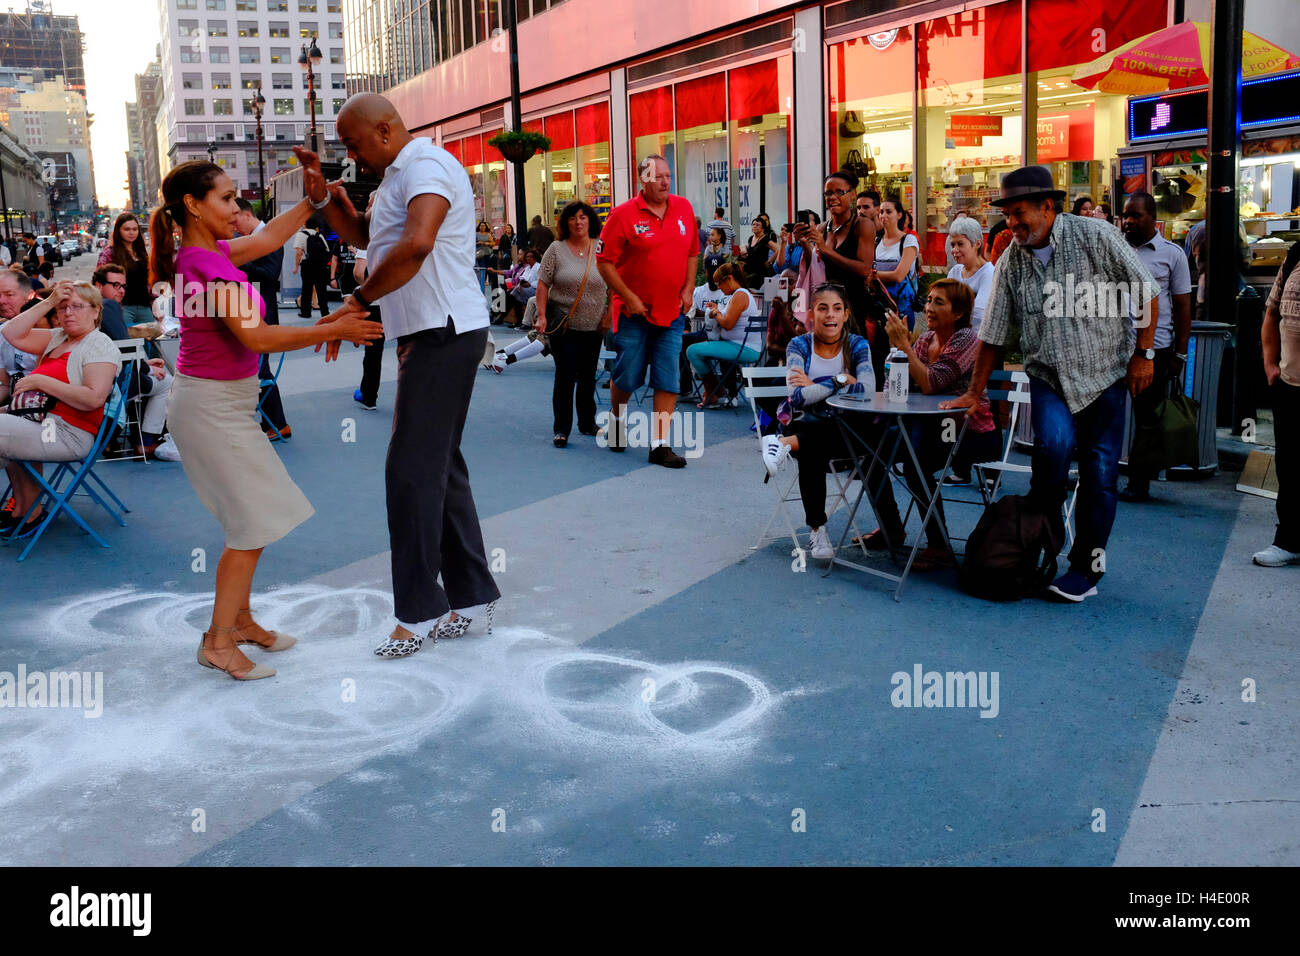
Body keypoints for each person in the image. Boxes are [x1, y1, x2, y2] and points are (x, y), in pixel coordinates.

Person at [152, 159, 383, 680]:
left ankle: (239, 621)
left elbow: (269, 237)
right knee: (252, 523)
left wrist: (317, 200)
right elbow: (254, 338)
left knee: (250, 517)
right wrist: (330, 330)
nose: (238, 209)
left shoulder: (206, 253)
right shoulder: (206, 263)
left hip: (219, 402)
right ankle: (217, 641)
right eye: (228, 199)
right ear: (193, 205)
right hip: (211, 407)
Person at [304, 92, 502, 656]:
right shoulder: (396, 175)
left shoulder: (429, 166)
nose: (351, 155)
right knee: (440, 466)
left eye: (353, 143)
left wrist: (357, 300)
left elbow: (417, 244)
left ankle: (418, 611)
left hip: (444, 329)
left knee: (410, 472)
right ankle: (472, 594)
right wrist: (324, 201)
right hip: (426, 331)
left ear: (386, 130)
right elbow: (369, 236)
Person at [942, 164, 1158, 603]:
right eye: (1008, 215)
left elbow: (1146, 289)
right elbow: (993, 334)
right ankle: (1038, 550)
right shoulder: (1011, 262)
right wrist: (973, 392)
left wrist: (1144, 354)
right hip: (1048, 376)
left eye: (1020, 212)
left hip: (1106, 374)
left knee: (1100, 474)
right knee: (1052, 455)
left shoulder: (1096, 237)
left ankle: (1085, 569)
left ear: (1047, 206)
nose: (1014, 223)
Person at [855, 280, 1001, 568]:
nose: (929, 307)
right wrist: (899, 352)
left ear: (958, 313)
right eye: (929, 300)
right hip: (929, 428)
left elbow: (932, 383)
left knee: (915, 464)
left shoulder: (966, 339)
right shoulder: (924, 341)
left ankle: (939, 545)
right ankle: (891, 529)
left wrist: (904, 348)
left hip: (970, 432)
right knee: (870, 453)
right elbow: (901, 386)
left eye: (939, 302)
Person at [596, 153, 698, 468]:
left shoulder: (683, 208)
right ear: (644, 179)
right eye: (659, 177)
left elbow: (693, 251)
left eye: (668, 176)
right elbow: (604, 262)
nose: (666, 182)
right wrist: (627, 296)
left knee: (668, 375)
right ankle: (616, 421)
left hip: (672, 310)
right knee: (628, 375)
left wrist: (689, 288)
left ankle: (659, 445)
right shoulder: (623, 215)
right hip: (633, 313)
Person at [759, 284, 875, 560]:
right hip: (809, 424)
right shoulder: (799, 345)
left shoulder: (857, 344)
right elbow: (797, 398)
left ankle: (785, 443)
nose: (829, 315)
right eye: (822, 308)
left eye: (836, 309)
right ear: (811, 313)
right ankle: (817, 529)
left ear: (846, 314)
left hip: (847, 430)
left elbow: (868, 390)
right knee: (813, 444)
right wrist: (839, 380)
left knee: (854, 434)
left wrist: (815, 387)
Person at [0, 281, 120, 537]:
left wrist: (42, 381)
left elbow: (93, 399)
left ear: (95, 311)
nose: (68, 313)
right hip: (39, 423)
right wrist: (49, 301)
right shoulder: (58, 337)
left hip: (70, 433)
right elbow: (10, 332)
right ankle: (25, 510)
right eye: (63, 308)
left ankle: (29, 510)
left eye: (77, 306)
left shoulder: (99, 344)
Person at [1120, 191, 1192, 503]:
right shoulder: (1117, 249)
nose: (1129, 221)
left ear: (1153, 219)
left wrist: (1180, 352)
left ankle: (1139, 483)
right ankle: (1096, 474)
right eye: (1126, 215)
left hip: (1155, 348)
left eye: (1136, 215)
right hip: (1113, 346)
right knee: (1103, 414)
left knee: (1147, 417)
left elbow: (1183, 306)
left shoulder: (1172, 254)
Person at [522, 200, 608, 447]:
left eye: (583, 217)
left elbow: (613, 281)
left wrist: (610, 312)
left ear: (590, 220)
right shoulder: (556, 249)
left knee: (588, 375)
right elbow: (542, 284)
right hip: (564, 325)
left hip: (593, 325)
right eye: (573, 218)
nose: (579, 222)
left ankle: (587, 422)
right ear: (565, 223)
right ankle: (561, 428)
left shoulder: (600, 247)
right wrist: (541, 315)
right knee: (565, 376)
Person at [796, 170, 876, 368]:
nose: (832, 198)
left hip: (852, 308)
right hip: (826, 309)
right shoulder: (823, 228)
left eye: (839, 192)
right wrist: (805, 244)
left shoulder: (862, 225)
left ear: (852, 194)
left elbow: (864, 269)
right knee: (825, 365)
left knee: (852, 365)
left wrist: (825, 249)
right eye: (828, 193)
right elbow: (816, 265)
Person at [93, 265, 172, 459]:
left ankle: (114, 441)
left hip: (96, 380)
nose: (121, 290)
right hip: (115, 384)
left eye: (123, 286)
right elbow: (124, 348)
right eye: (115, 285)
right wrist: (147, 369)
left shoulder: (87, 308)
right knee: (167, 382)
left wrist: (146, 365)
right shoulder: (107, 305)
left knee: (148, 378)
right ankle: (145, 442)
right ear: (98, 285)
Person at [1254, 236, 1300, 566]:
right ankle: (1288, 540)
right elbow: (1271, 313)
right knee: (1290, 466)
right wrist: (1271, 365)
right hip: (1289, 385)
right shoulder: (1296, 254)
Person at [233, 198, 291, 440]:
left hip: (262, 311)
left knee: (259, 369)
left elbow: (270, 275)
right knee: (255, 368)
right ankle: (274, 423)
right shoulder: (247, 240)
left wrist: (239, 262)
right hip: (248, 309)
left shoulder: (269, 237)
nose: (234, 227)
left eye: (235, 221)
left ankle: (278, 424)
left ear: (247, 214)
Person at [688, 262, 763, 408]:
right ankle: (714, 391)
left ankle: (714, 392)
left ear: (729, 278)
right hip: (740, 345)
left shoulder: (740, 295)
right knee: (696, 350)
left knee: (692, 351)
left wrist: (715, 313)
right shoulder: (738, 294)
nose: (719, 289)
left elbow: (728, 324)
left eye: (719, 284)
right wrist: (718, 309)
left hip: (742, 348)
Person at [97, 213, 154, 326]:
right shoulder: (109, 253)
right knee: (127, 342)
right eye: (127, 229)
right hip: (123, 308)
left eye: (135, 229)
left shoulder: (141, 253)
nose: (131, 232)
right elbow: (99, 282)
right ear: (119, 231)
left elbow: (148, 281)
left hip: (145, 307)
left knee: (153, 340)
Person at [875, 197, 921, 330]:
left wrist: (873, 274)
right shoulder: (876, 241)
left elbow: (899, 275)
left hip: (901, 305)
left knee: (902, 345)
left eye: (889, 212)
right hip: (879, 304)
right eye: (881, 212)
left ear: (899, 215)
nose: (884, 216)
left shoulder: (908, 240)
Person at [946, 216, 995, 331]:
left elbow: (979, 315)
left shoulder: (989, 273)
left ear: (977, 244)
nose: (954, 250)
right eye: (952, 245)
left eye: (960, 244)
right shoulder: (955, 271)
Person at [295, 221, 332, 318]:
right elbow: (327, 250)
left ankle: (306, 312)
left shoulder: (301, 234)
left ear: (305, 225)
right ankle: (325, 312)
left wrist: (296, 266)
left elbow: (299, 252)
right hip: (320, 265)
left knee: (306, 289)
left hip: (307, 265)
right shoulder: (319, 235)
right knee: (322, 290)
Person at [742, 218, 776, 289]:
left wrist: (770, 261)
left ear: (763, 228)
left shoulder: (765, 239)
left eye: (758, 225)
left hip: (760, 273)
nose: (755, 226)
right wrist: (745, 254)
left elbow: (778, 250)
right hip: (750, 272)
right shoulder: (751, 238)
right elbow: (750, 251)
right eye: (753, 224)